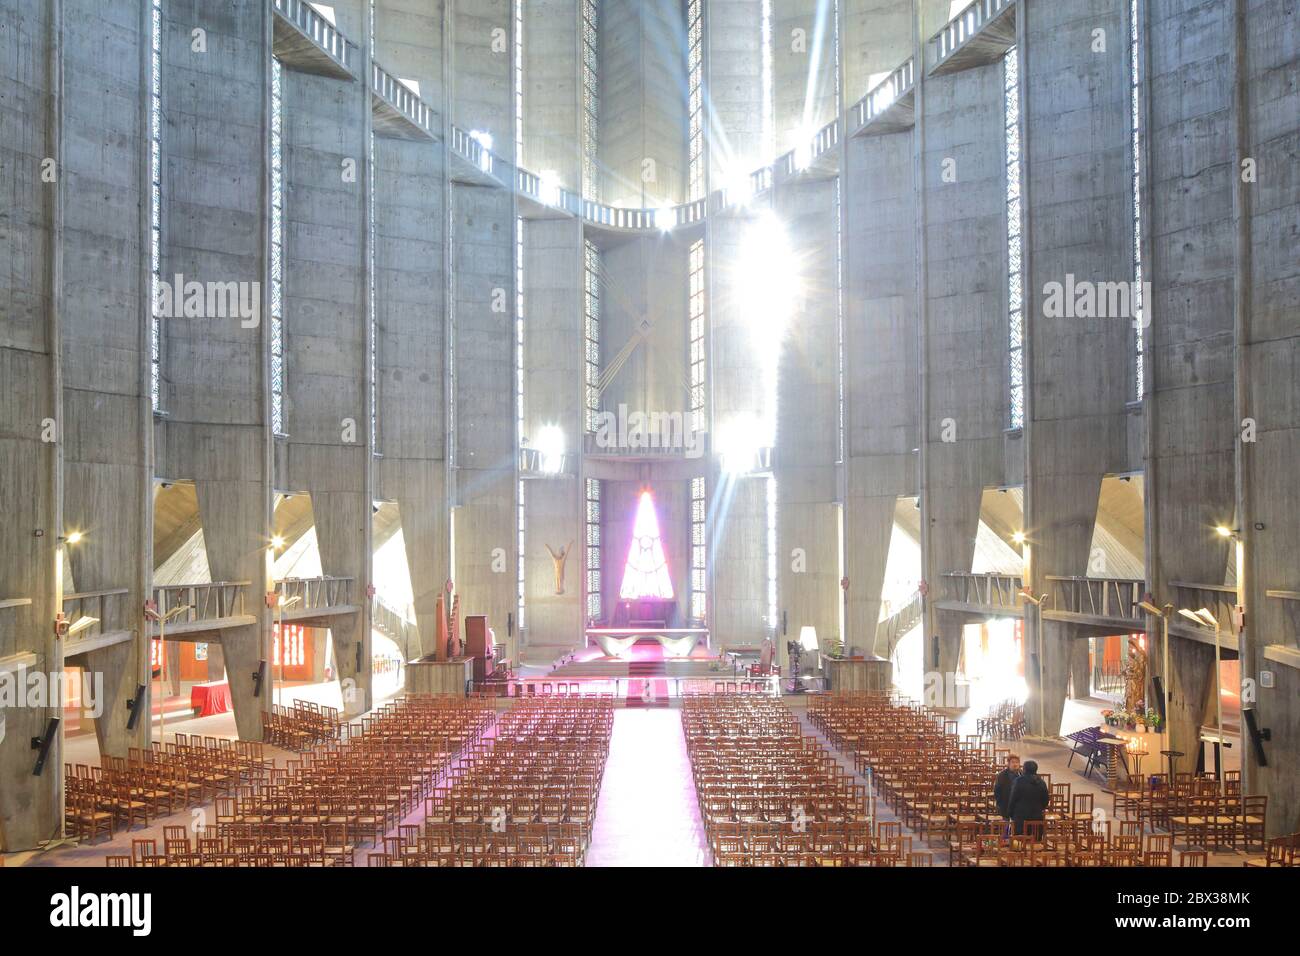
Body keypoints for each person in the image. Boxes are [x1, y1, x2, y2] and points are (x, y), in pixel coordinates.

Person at [1007, 759, 1050, 836]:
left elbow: (1013, 799)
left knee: (1020, 843)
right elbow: (1046, 800)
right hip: (1037, 818)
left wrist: (1010, 813)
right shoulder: (1041, 782)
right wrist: (1039, 809)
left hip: (1021, 818)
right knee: (1035, 843)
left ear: (1024, 769)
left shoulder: (1019, 781)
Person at [994, 754, 1021, 821]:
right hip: (1005, 804)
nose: (1015, 764)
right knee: (1006, 826)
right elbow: (997, 790)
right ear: (1008, 764)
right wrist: (1000, 803)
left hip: (1018, 805)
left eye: (1017, 762)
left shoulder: (1022, 774)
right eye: (1013, 762)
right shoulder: (1002, 775)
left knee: (1017, 827)